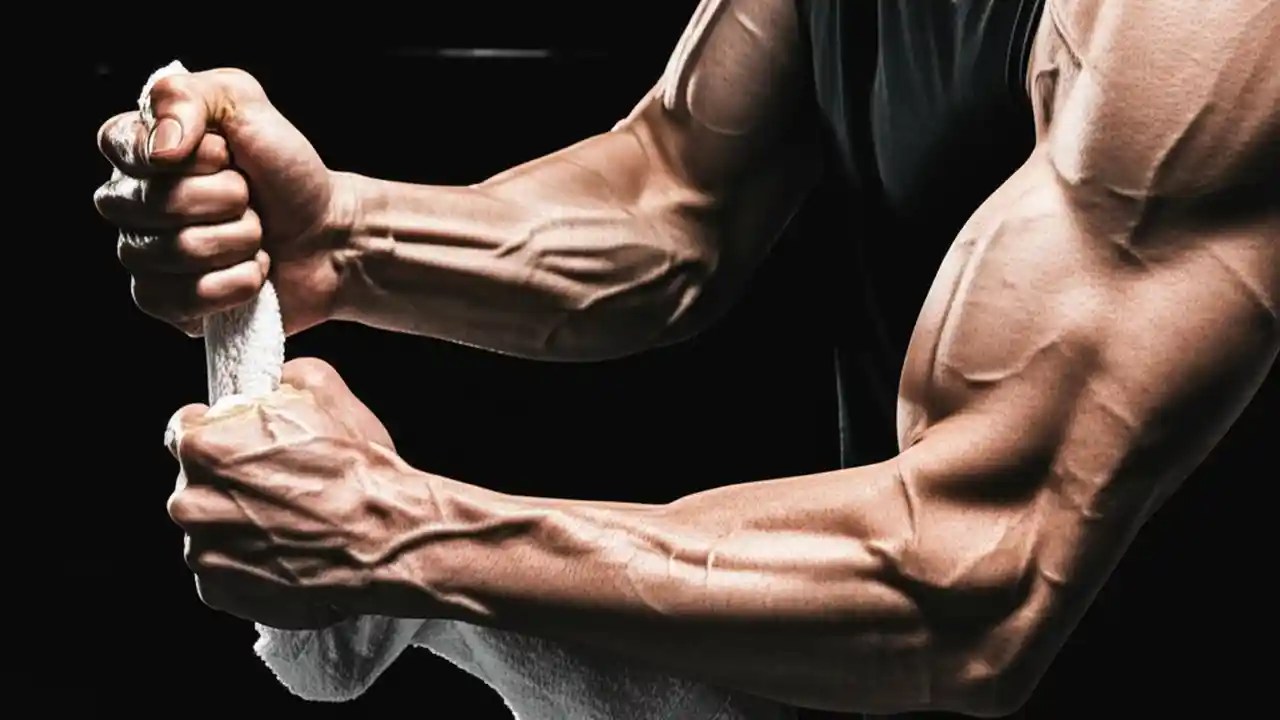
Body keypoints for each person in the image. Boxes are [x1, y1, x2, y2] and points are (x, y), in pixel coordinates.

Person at [92, 0, 1277, 717]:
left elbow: (980, 576)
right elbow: (676, 196)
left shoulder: (1203, 35)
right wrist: (346, 236)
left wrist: (407, 534)